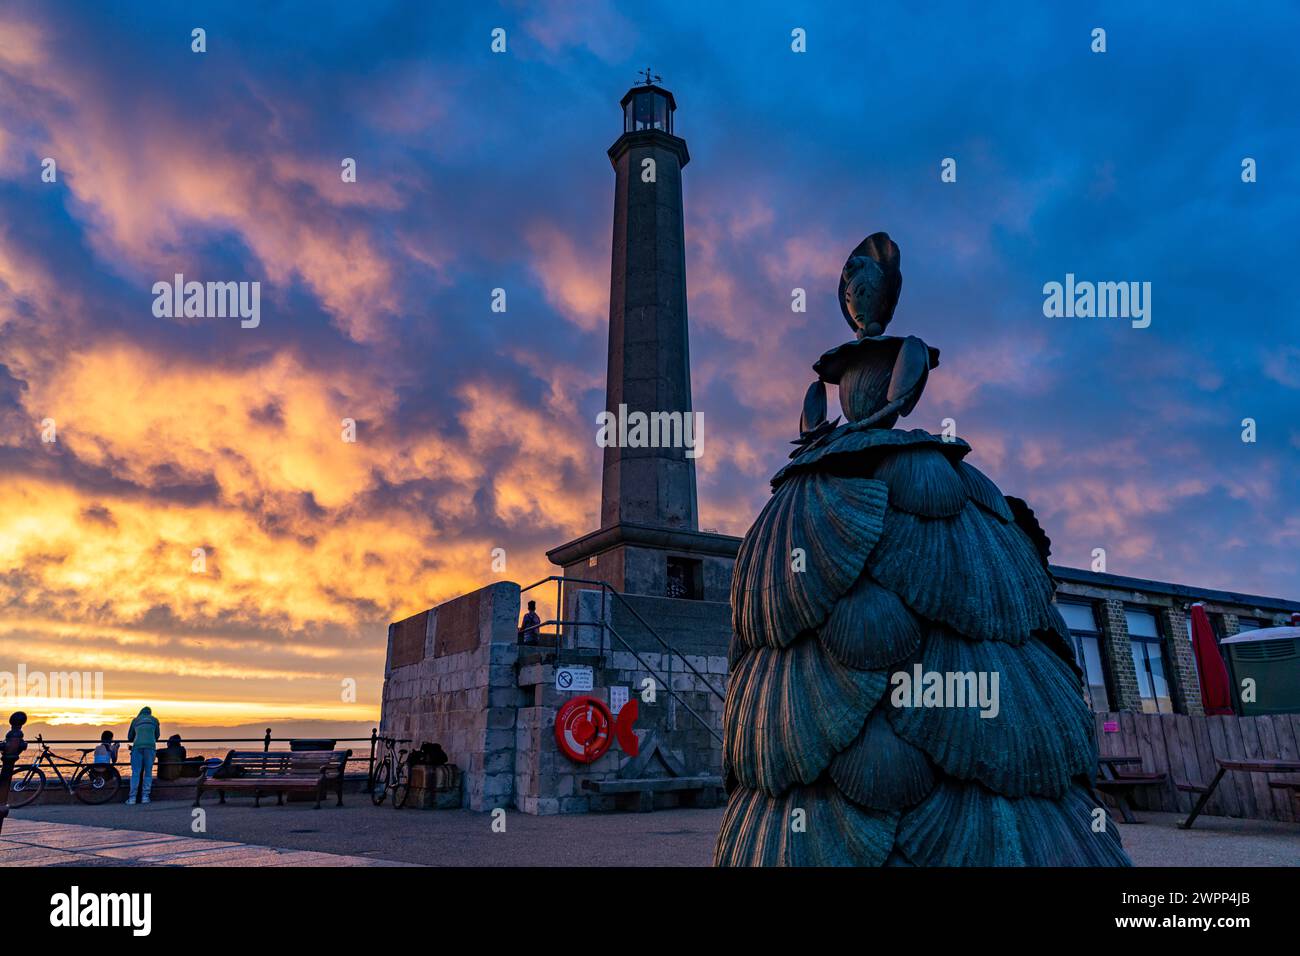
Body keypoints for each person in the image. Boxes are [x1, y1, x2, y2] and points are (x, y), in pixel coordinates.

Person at [126, 706, 160, 804]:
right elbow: (157, 736)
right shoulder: (155, 720)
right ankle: (145, 797)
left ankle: (132, 798)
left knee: (136, 772)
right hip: (150, 747)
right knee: (148, 772)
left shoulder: (135, 720)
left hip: (137, 747)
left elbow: (129, 737)